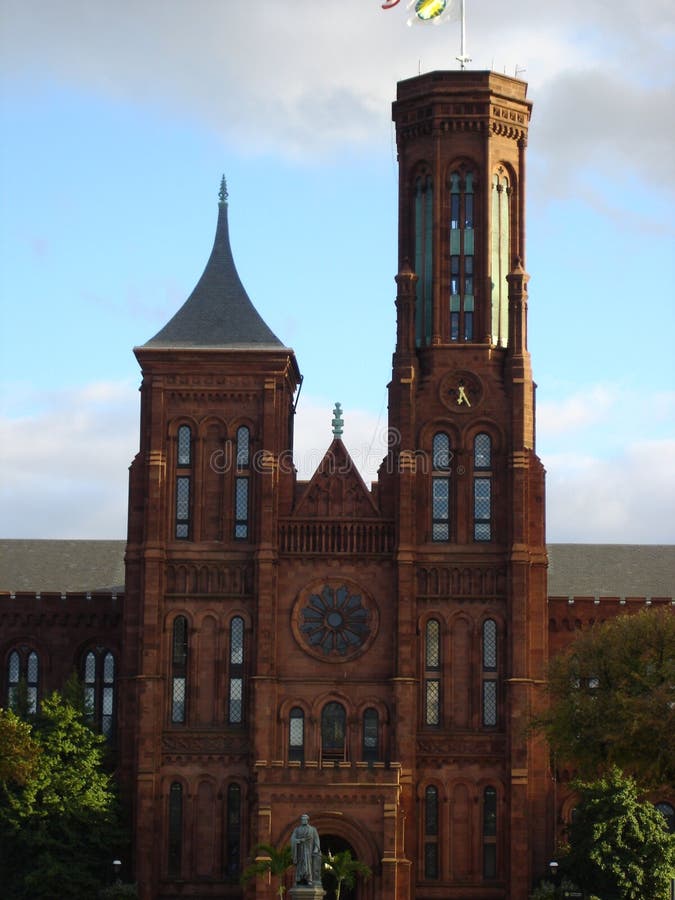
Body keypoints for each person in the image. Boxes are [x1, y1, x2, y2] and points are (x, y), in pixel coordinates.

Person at [290, 813, 321, 886]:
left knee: (308, 864)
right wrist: (299, 840)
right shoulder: (297, 830)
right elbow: (292, 839)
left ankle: (309, 879)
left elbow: (316, 840)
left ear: (307, 820)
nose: (303, 821)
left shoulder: (312, 829)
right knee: (300, 865)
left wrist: (316, 849)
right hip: (300, 850)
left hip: (309, 851)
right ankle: (299, 879)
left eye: (305, 819)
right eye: (302, 819)